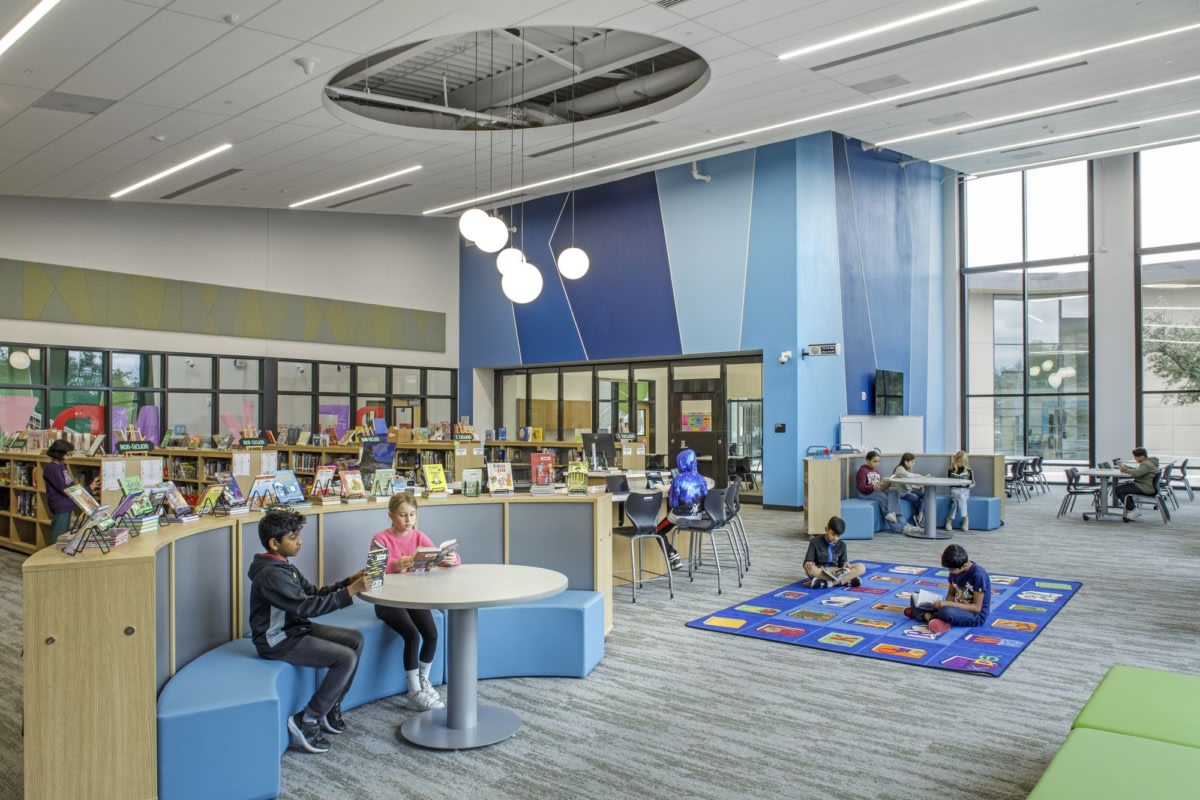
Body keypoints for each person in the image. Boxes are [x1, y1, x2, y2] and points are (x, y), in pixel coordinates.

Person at [248, 508, 369, 754]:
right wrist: (351, 591)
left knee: (355, 640)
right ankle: (307, 718)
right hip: (277, 640)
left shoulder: (284, 566)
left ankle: (330, 705)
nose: (300, 541)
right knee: (345, 658)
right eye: (293, 537)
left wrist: (348, 581)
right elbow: (307, 607)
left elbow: (314, 593)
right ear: (274, 543)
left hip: (296, 629)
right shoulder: (270, 574)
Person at [369, 491, 460, 711]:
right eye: (403, 515)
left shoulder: (419, 537)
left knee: (432, 633)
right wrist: (396, 565)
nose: (408, 519)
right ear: (391, 515)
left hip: (413, 599)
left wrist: (452, 558)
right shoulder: (380, 539)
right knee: (412, 634)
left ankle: (423, 681)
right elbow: (375, 570)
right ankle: (414, 691)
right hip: (387, 601)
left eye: (412, 514)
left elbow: (437, 556)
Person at [905, 543, 990, 635]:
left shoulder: (978, 575)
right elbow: (950, 594)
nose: (950, 572)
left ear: (964, 566)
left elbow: (976, 608)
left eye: (952, 570)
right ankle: (931, 618)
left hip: (974, 615)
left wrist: (948, 604)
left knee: (946, 612)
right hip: (954, 606)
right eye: (948, 569)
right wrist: (942, 604)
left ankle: (924, 614)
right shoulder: (954, 569)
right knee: (916, 596)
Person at [654, 448, 709, 570]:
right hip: (698, 516)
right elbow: (706, 497)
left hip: (680, 517)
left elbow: (673, 503)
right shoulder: (701, 478)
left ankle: (672, 554)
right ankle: (673, 556)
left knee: (657, 530)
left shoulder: (678, 479)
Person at [42, 440, 102, 539]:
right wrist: (89, 488)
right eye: (68, 455)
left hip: (66, 505)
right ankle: (54, 550)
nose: (70, 457)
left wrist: (88, 488)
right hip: (60, 506)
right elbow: (66, 489)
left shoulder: (61, 466)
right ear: (59, 454)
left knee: (63, 534)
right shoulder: (52, 468)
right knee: (58, 537)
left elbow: (70, 485)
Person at [802, 516, 866, 589]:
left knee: (861, 567)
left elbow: (842, 564)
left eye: (838, 536)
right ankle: (846, 580)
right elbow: (807, 562)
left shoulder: (842, 545)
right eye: (833, 534)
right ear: (826, 529)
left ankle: (828, 583)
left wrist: (845, 564)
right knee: (810, 569)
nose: (835, 538)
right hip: (820, 571)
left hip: (835, 571)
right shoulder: (814, 542)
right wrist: (808, 563)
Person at [855, 451, 909, 533]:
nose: (877, 464)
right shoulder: (862, 471)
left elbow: (877, 483)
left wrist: (884, 484)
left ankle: (896, 518)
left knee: (894, 491)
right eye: (874, 461)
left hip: (876, 490)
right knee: (883, 497)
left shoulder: (876, 470)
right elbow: (861, 487)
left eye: (878, 461)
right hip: (865, 493)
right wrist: (872, 487)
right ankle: (897, 527)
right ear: (868, 460)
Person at [1115, 447, 1160, 521]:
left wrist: (1125, 470)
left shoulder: (1146, 464)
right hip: (1146, 485)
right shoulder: (1149, 462)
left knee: (1119, 490)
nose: (1135, 459)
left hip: (1146, 487)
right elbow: (1138, 470)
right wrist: (1126, 467)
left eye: (1136, 458)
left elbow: (1137, 473)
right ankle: (1132, 509)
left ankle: (1133, 510)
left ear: (1142, 457)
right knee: (1124, 489)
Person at [891, 452, 926, 526]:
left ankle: (920, 515)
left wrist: (917, 487)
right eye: (912, 462)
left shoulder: (906, 469)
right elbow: (908, 476)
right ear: (906, 462)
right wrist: (921, 476)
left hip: (908, 490)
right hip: (902, 493)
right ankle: (920, 519)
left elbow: (908, 484)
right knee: (917, 498)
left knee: (925, 495)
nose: (913, 464)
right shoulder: (899, 469)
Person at [946, 450, 974, 532]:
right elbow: (948, 483)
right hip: (954, 490)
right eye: (958, 461)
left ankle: (949, 520)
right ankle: (965, 519)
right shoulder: (951, 470)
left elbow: (973, 483)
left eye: (962, 462)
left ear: (965, 461)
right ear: (955, 460)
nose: (960, 463)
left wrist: (967, 485)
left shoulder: (969, 471)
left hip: (965, 491)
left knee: (957, 501)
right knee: (960, 497)